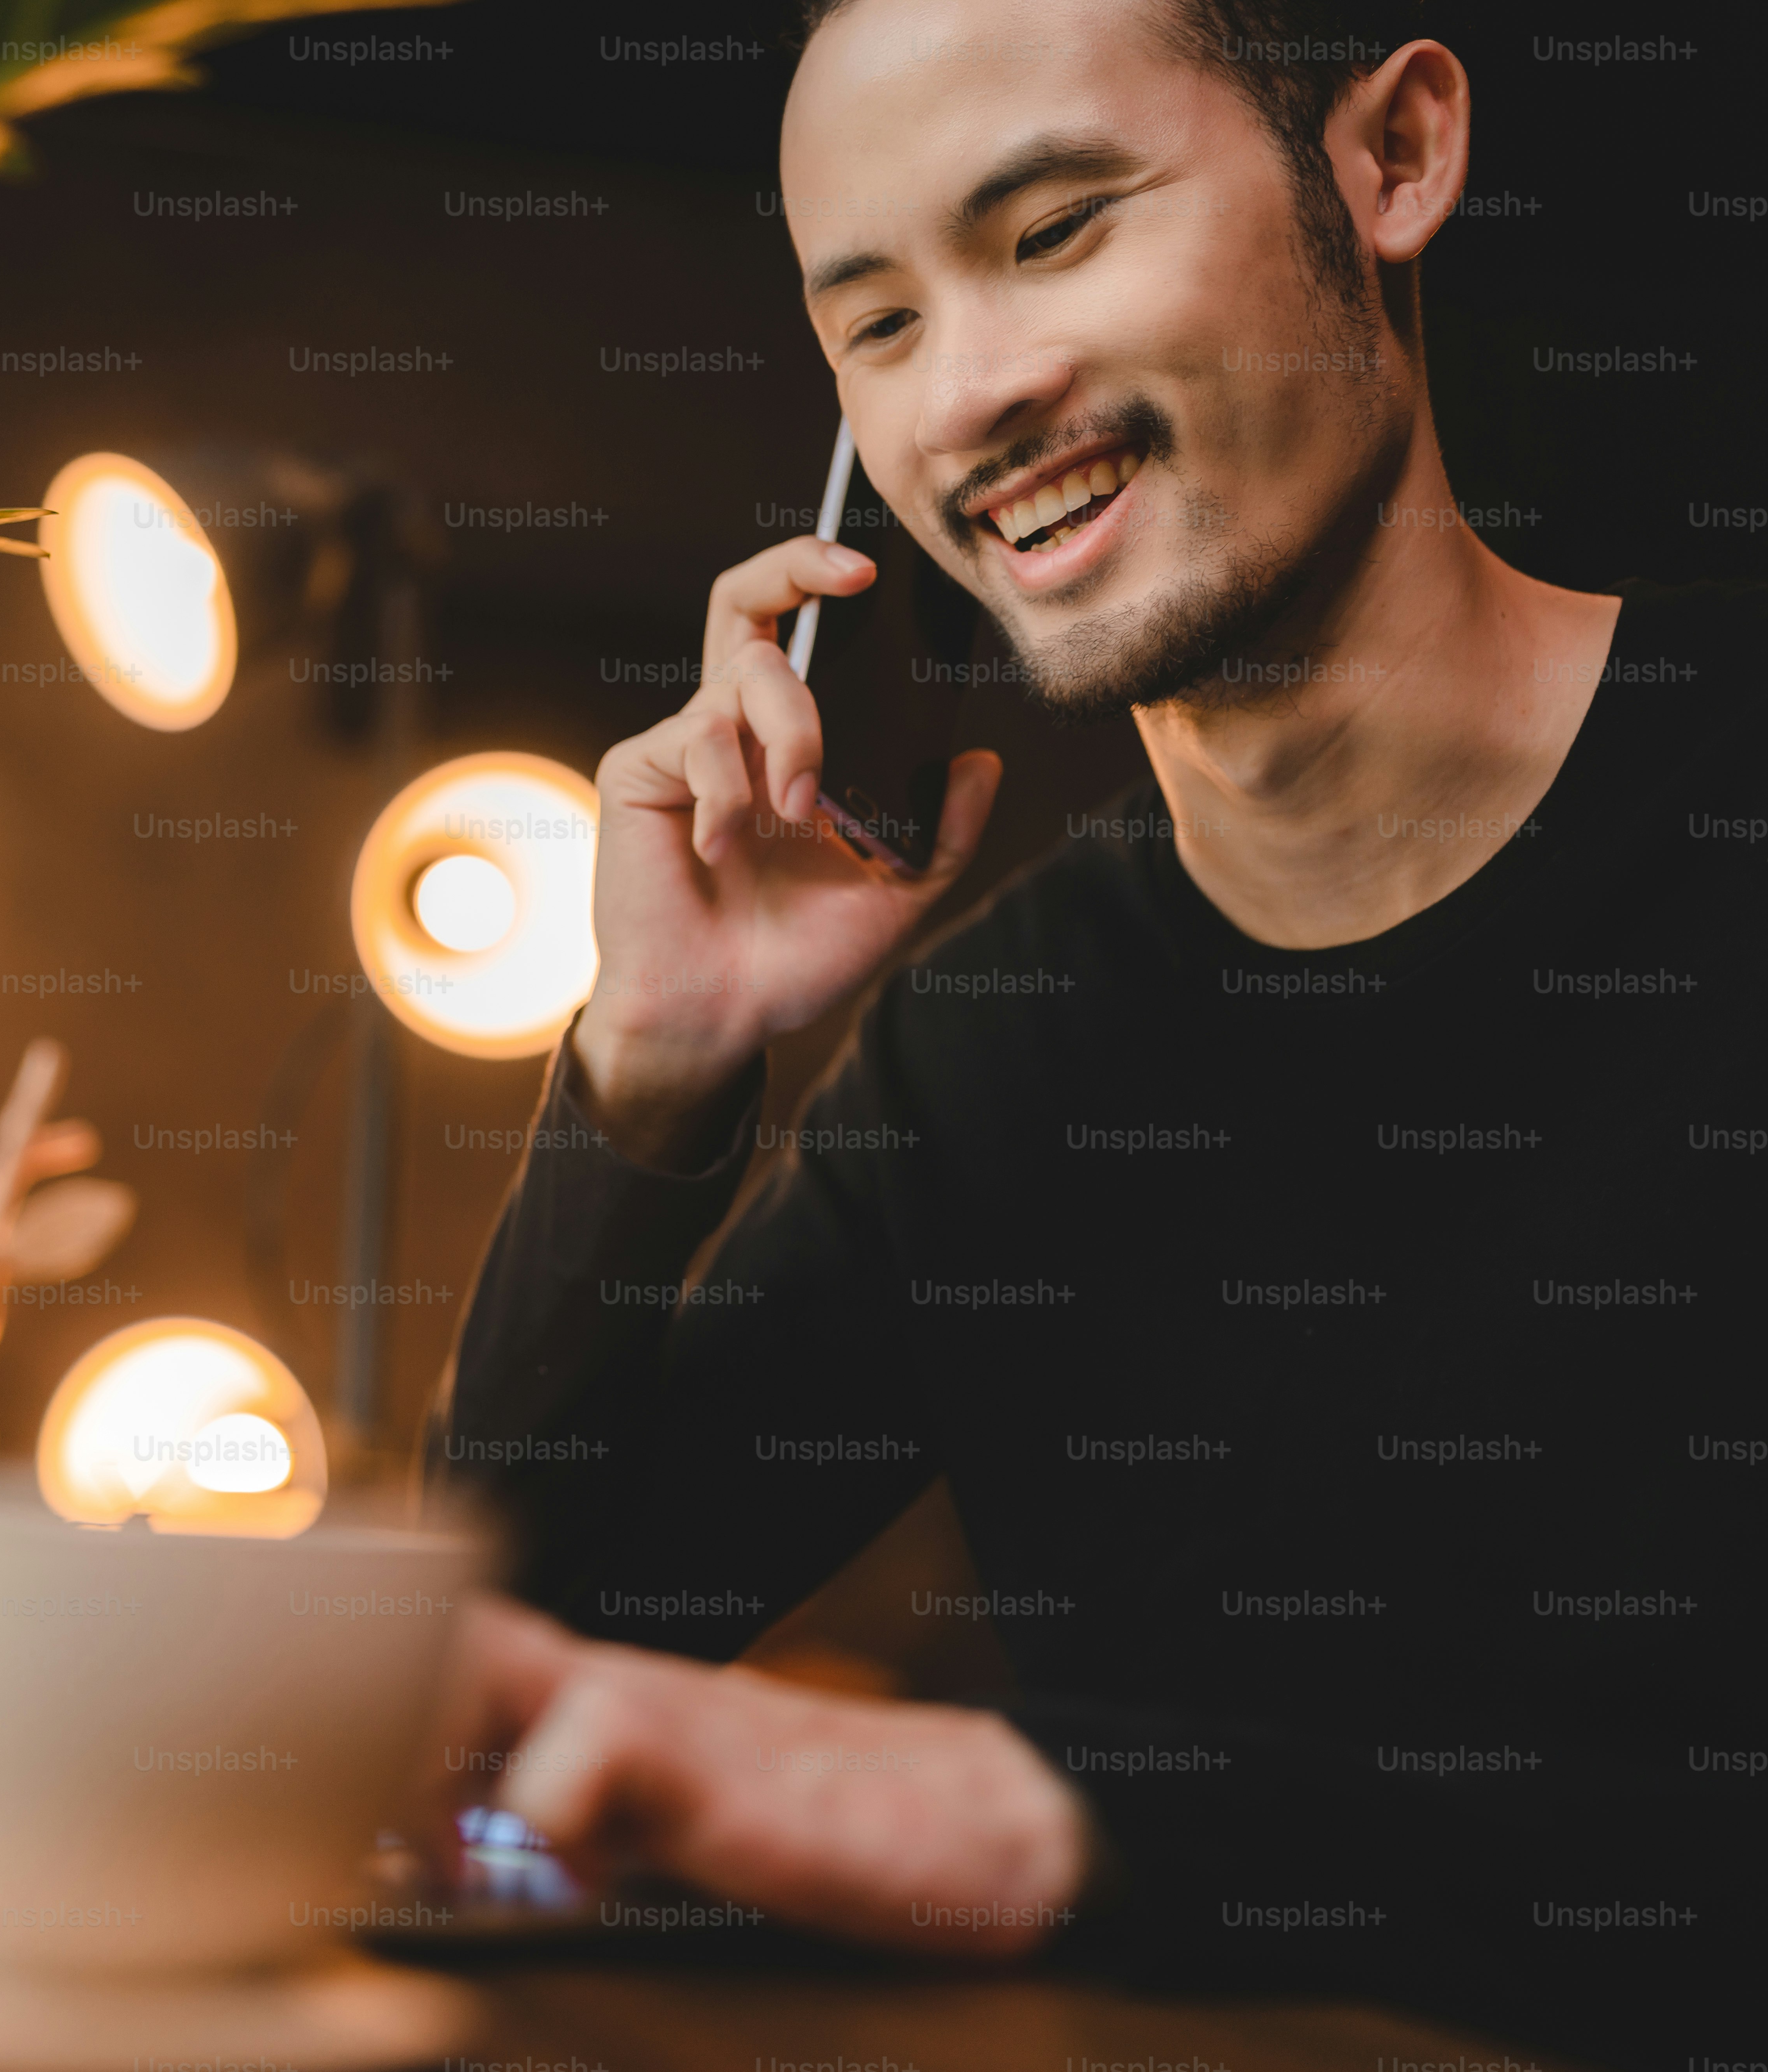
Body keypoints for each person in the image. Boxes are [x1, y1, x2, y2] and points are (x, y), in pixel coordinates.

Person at [429, 0, 1755, 2058]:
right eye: (875, 326)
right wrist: (652, 1071)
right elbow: (507, 1663)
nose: (972, 395)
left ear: (1391, 159)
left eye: (1055, 230)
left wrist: (1086, 1821)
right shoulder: (996, 1054)